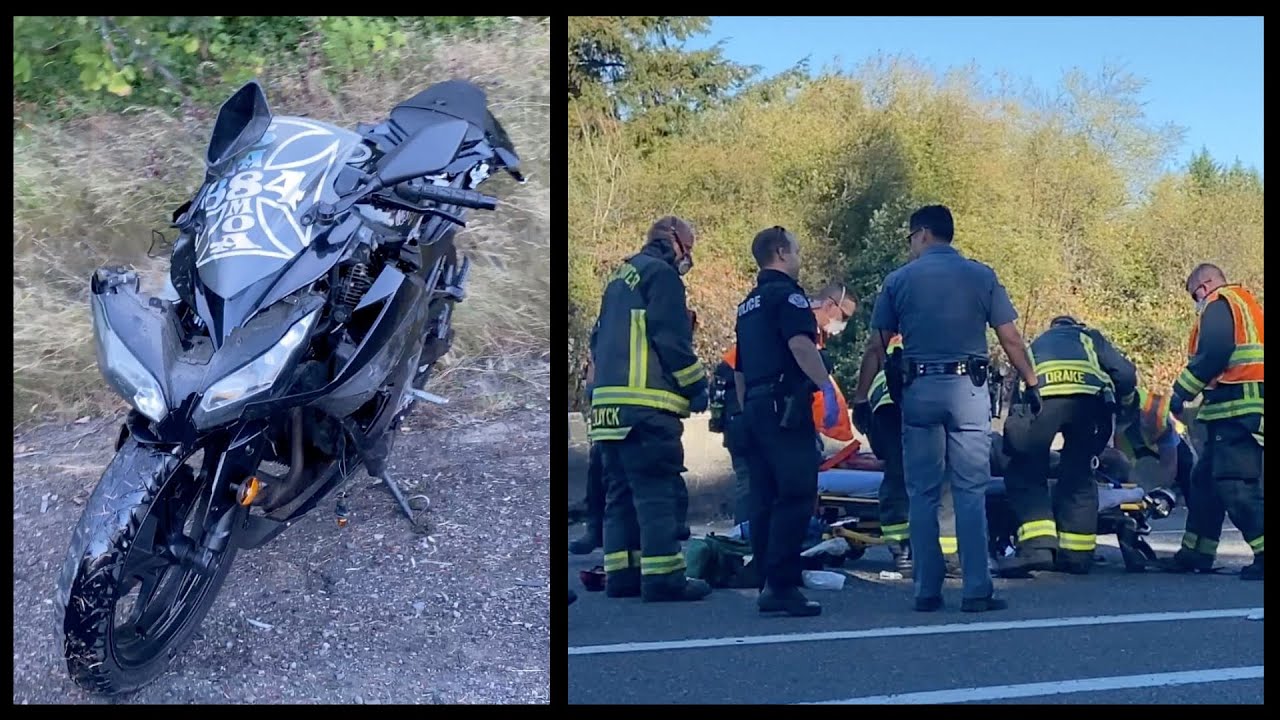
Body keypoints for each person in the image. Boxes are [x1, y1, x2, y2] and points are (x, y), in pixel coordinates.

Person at [866, 205, 1038, 612]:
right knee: (969, 491)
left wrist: (859, 397)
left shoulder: (898, 281)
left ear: (923, 234)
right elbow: (1011, 338)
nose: (909, 246)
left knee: (922, 493)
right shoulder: (982, 275)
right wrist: (1031, 382)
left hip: (919, 389)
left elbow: (876, 345)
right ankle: (977, 589)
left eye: (910, 238)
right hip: (968, 391)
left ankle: (927, 590)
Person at [588, 216, 712, 602]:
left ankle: (623, 577)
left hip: (608, 410)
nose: (686, 259)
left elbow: (596, 339)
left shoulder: (619, 278)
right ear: (675, 242)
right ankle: (663, 579)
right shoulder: (661, 276)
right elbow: (670, 338)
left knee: (619, 496)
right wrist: (696, 385)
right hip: (647, 406)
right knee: (656, 493)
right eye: (688, 250)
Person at [734, 226, 840, 617]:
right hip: (783, 405)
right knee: (796, 493)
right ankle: (781, 584)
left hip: (757, 407)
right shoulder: (789, 296)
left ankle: (767, 578)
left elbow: (741, 369)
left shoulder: (748, 303)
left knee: (762, 496)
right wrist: (825, 386)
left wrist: (749, 413)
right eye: (795, 250)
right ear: (780, 253)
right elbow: (800, 345)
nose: (799, 258)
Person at [998, 316, 1138, 577]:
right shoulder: (1088, 337)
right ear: (1075, 325)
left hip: (1043, 401)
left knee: (1026, 472)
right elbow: (1126, 374)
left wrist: (1016, 442)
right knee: (1079, 473)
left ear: (1053, 328)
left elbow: (1019, 395)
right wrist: (1126, 403)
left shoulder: (1038, 343)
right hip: (1090, 405)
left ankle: (1038, 549)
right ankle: (1077, 555)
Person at [714, 284, 856, 525]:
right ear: (830, 306)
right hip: (744, 396)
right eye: (844, 317)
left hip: (746, 395)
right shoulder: (798, 319)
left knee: (762, 480)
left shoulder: (801, 323)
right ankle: (746, 546)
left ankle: (757, 546)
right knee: (753, 480)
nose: (842, 327)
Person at [1164, 263, 1263, 580]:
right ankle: (1196, 553)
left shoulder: (1221, 304)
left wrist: (1180, 392)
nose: (1197, 301)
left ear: (1205, 286)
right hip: (1230, 410)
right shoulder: (1243, 307)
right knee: (1204, 482)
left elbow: (1215, 353)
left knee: (1234, 483)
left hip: (1239, 410)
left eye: (1195, 294)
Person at [853, 333, 960, 578]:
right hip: (924, 401)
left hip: (887, 407)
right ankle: (945, 555)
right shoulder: (939, 334)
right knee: (942, 478)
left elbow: (873, 352)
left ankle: (903, 552)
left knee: (898, 475)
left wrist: (860, 400)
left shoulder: (891, 341)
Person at [1112, 389, 1195, 502]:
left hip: (1169, 443)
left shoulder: (1162, 423)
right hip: (1132, 440)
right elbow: (1119, 457)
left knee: (1189, 468)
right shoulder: (1119, 413)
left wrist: (1159, 494)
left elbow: (1169, 466)